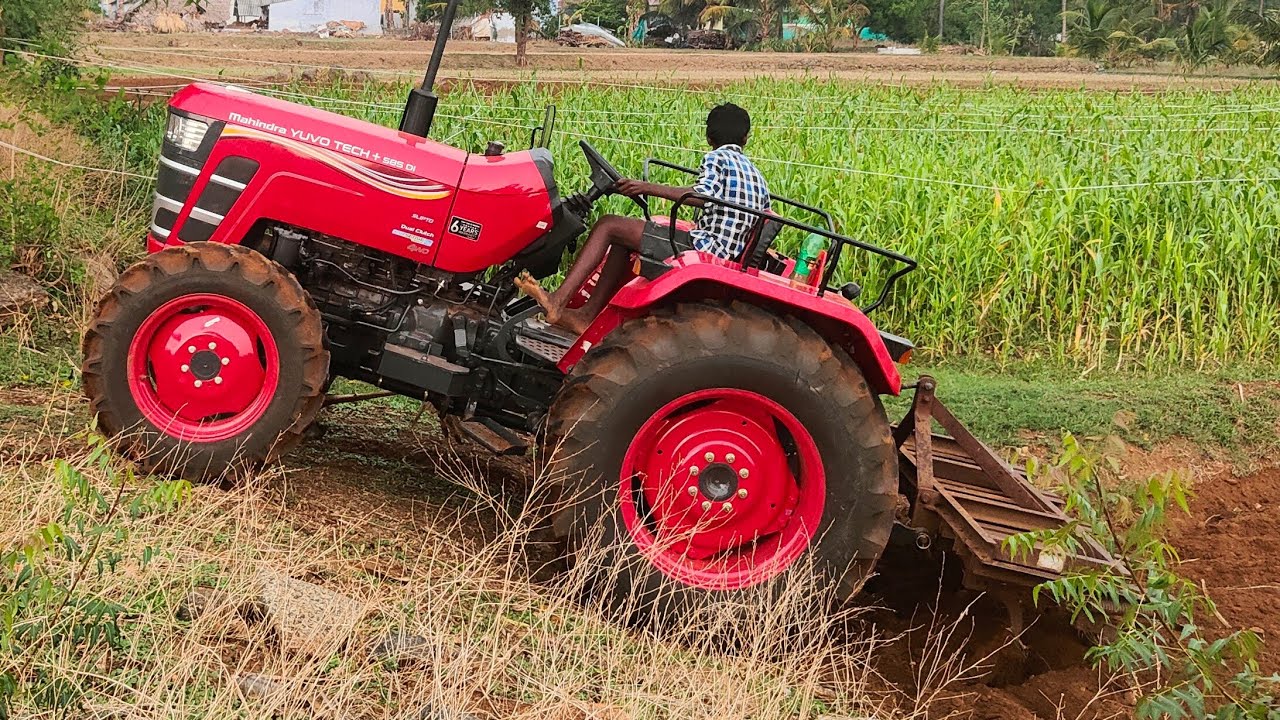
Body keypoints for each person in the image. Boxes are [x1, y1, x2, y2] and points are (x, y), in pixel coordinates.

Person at [515, 102, 771, 334]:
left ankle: (558, 302)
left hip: (706, 249)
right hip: (728, 255)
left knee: (608, 224)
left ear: (708, 136)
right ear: (745, 138)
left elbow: (701, 196)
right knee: (621, 237)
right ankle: (586, 316)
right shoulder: (757, 175)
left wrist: (646, 187)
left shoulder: (717, 157)